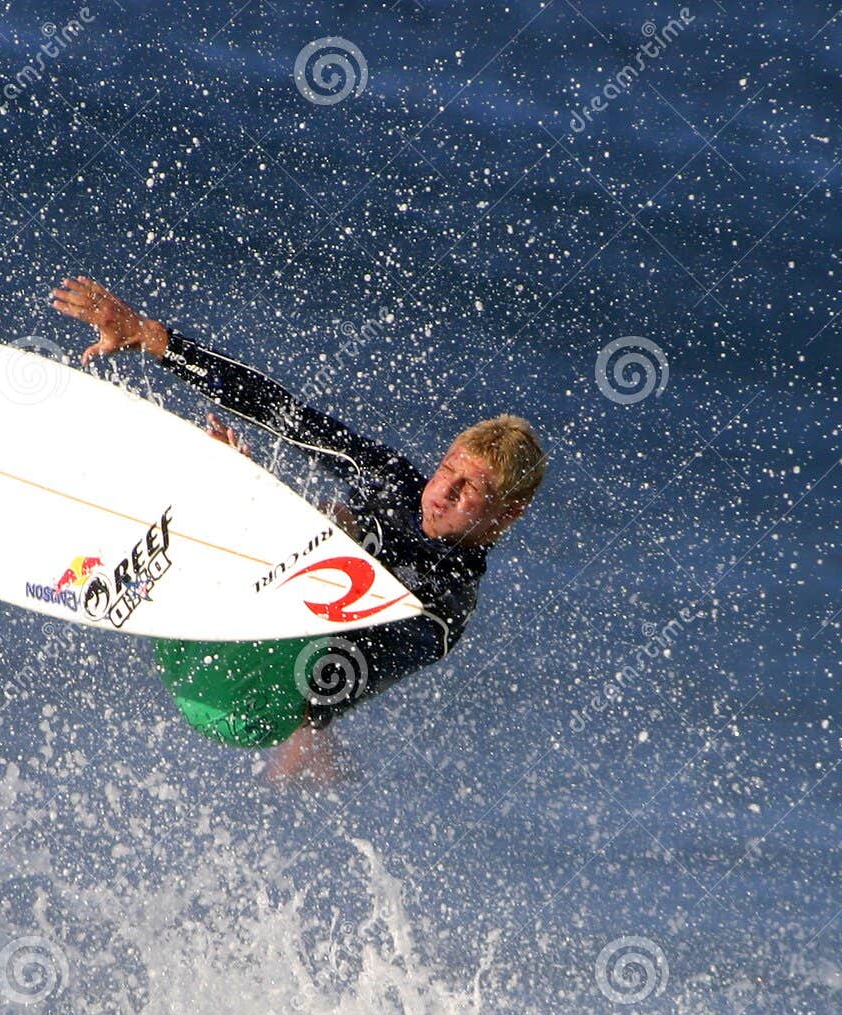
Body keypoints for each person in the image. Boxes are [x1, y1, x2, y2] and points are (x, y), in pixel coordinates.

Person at [50, 276, 546, 781]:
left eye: (469, 490)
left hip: (250, 705)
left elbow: (344, 663)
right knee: (257, 489)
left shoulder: (445, 604)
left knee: (334, 533)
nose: (443, 490)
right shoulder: (394, 482)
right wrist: (151, 336)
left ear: (506, 514)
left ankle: (236, 511)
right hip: (195, 636)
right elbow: (283, 413)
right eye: (446, 470)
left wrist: (310, 729)